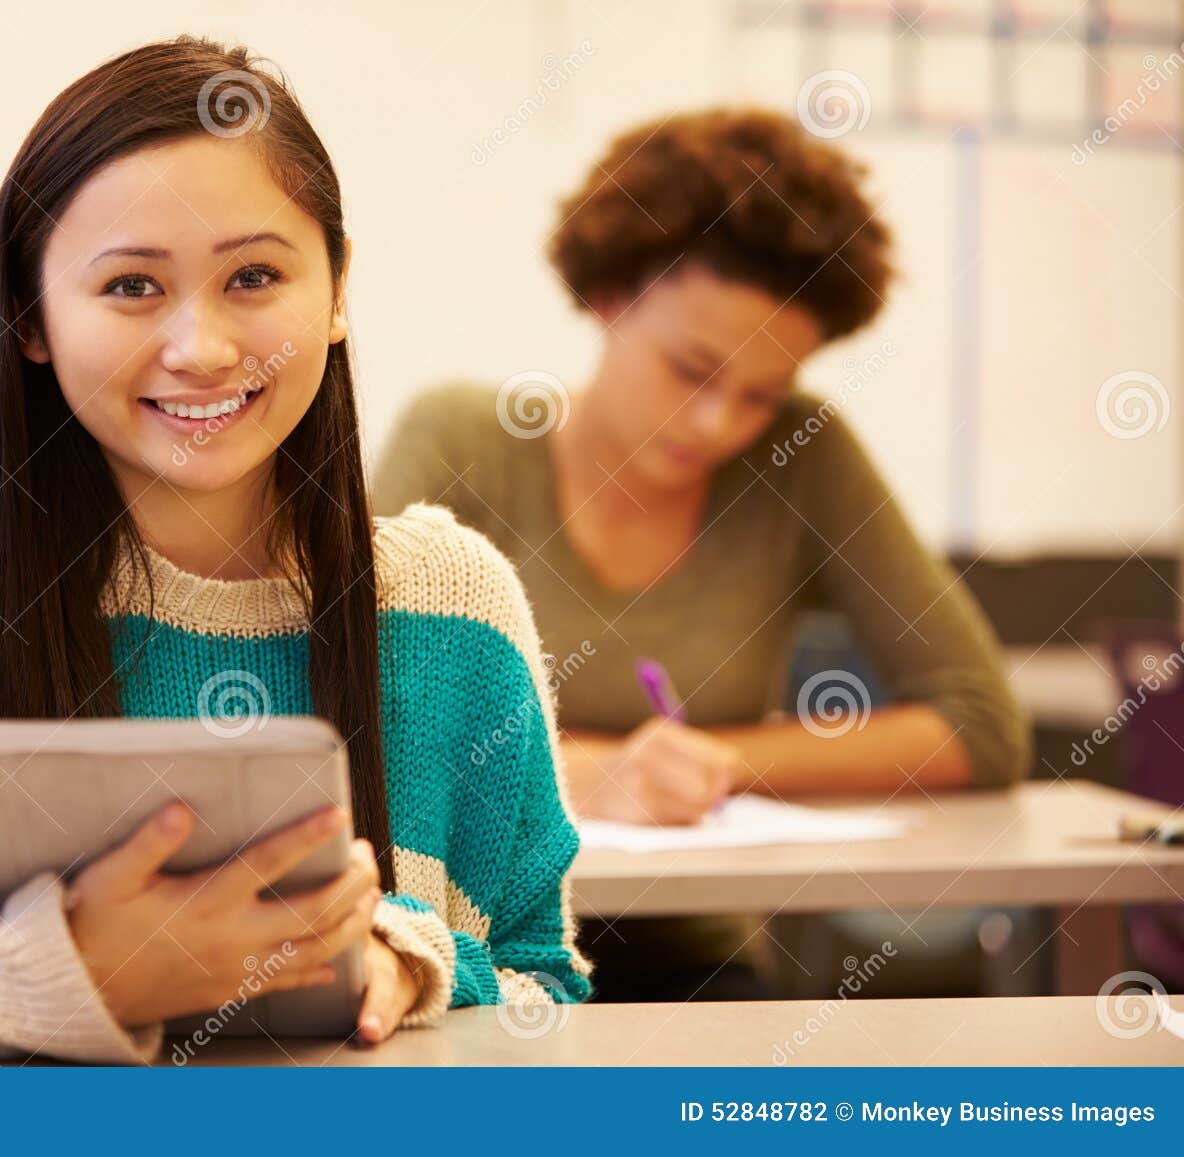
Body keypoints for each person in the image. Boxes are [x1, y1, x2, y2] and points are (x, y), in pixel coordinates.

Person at [0, 36, 591, 1063]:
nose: (200, 348)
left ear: (338, 289)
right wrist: (53, 964)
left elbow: (542, 980)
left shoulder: (454, 603)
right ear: (31, 315)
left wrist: (402, 956)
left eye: (254, 275)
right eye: (130, 286)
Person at [373, 108, 1027, 1001]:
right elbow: (350, 704)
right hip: (458, 955)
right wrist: (580, 774)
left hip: (696, 955)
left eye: (762, 393)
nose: (719, 424)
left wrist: (710, 763)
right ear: (610, 301)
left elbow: (981, 725)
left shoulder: (802, 457)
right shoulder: (460, 440)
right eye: (692, 369)